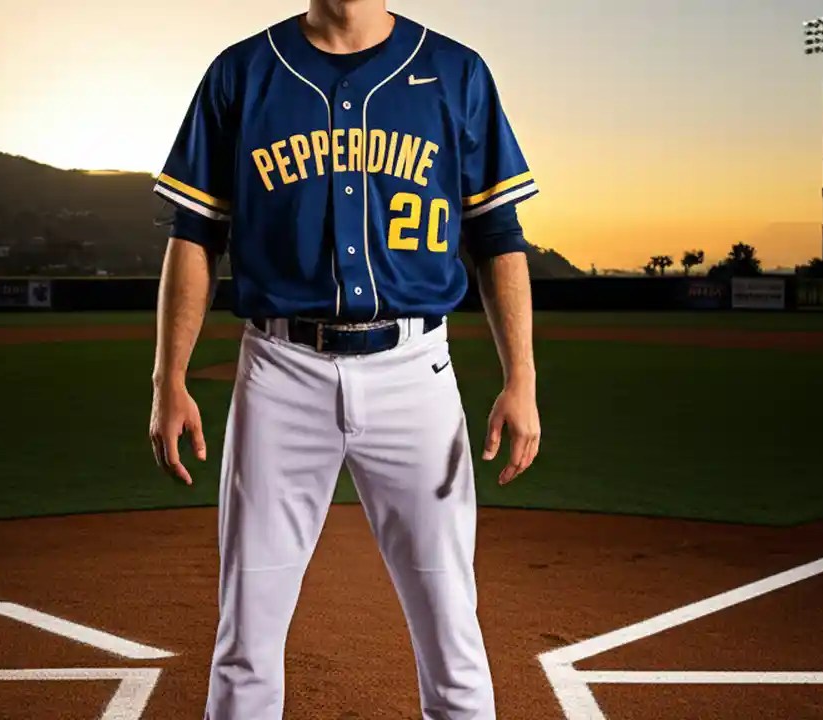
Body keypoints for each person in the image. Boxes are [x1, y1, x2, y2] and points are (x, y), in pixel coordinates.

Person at [148, 1, 541, 717]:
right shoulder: (241, 73)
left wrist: (523, 379)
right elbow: (194, 232)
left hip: (415, 374)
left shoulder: (457, 73)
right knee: (246, 635)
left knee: (452, 629)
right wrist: (167, 378)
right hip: (280, 370)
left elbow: (498, 233)